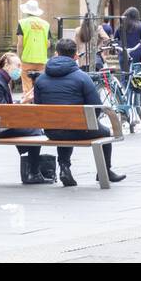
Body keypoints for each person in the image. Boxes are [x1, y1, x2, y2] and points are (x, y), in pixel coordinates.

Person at [34, 38, 126, 186]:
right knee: (105, 131)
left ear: (56, 54)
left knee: (62, 125)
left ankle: (64, 168)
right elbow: (96, 107)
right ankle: (106, 171)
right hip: (80, 129)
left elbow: (38, 107)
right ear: (76, 56)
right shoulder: (83, 78)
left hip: (52, 131)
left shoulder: (40, 79)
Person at [0, 52, 44, 181]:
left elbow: (5, 109)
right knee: (36, 130)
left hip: (0, 124)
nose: (19, 69)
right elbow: (3, 113)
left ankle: (31, 168)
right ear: (6, 65)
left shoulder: (1, 81)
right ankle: (33, 172)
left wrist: (22, 101)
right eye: (17, 65)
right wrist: (22, 103)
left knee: (33, 126)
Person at [15, 0, 52, 102]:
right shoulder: (46, 24)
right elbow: (48, 44)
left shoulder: (22, 23)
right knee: (40, 85)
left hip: (26, 59)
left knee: (27, 87)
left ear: (26, 11)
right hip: (41, 60)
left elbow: (20, 43)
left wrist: (19, 57)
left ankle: (27, 106)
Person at [119, 7, 141, 73]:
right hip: (137, 56)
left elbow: (116, 39)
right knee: (137, 76)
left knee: (124, 75)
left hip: (123, 54)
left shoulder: (121, 26)